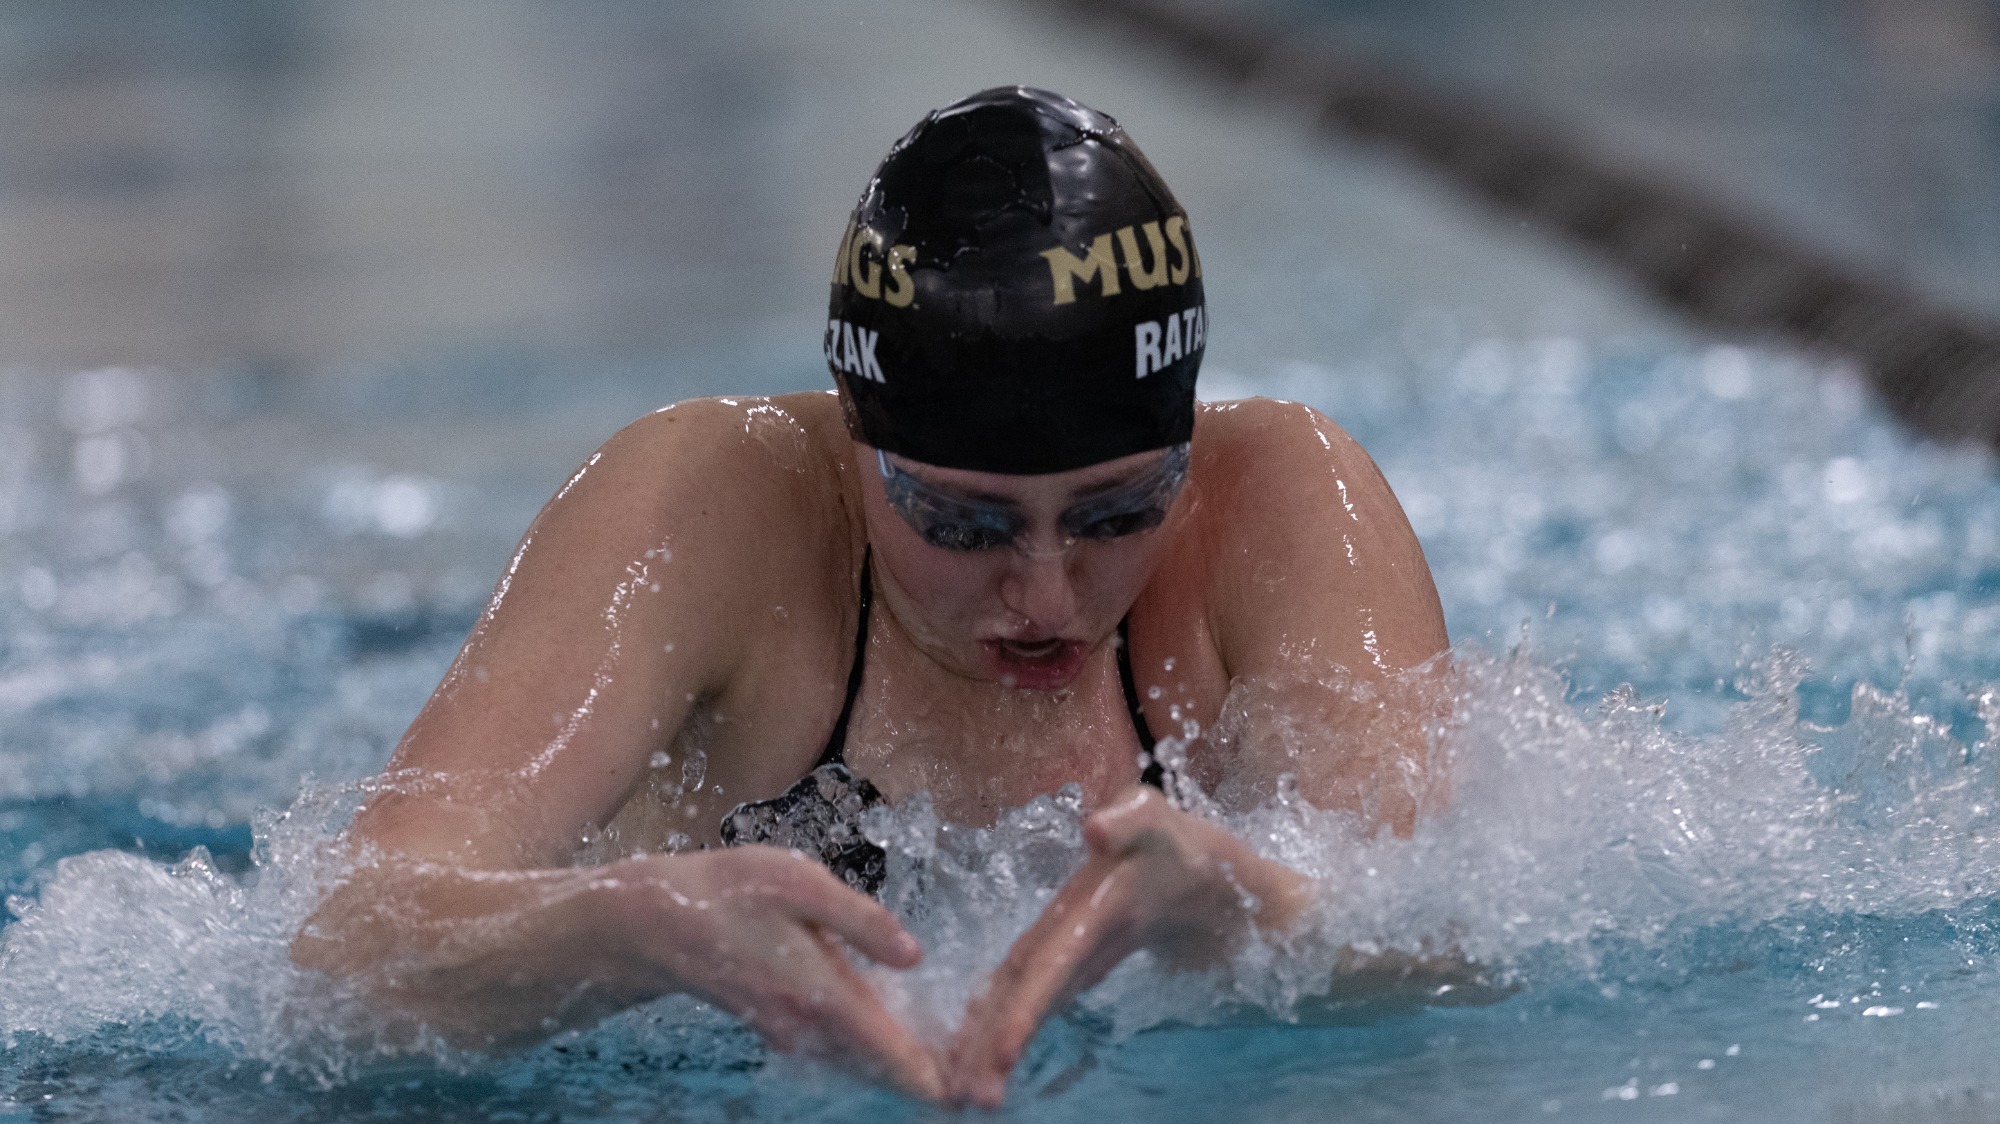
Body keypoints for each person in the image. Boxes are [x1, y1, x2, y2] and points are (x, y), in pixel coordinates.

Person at [292, 86, 1449, 1108]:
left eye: (1114, 511)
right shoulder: (703, 505)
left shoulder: (1284, 503)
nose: (1044, 590)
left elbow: (1456, 947)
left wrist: (1245, 914)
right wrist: (631, 929)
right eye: (962, 521)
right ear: (854, 426)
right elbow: (345, 957)